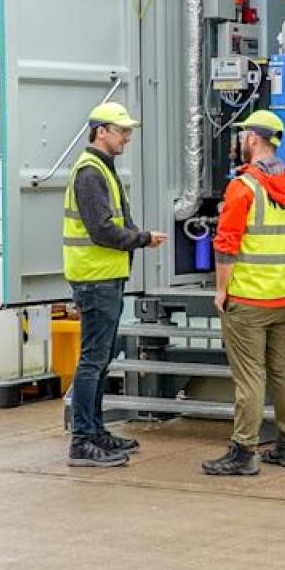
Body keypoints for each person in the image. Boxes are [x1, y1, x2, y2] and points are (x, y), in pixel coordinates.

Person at [202, 109, 285, 476]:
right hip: (283, 297)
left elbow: (226, 245)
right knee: (282, 370)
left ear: (252, 139)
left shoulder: (243, 187)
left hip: (248, 299)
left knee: (249, 377)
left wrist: (221, 290)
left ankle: (244, 451)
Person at [63, 102, 167, 468]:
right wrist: (141, 238)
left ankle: (94, 431)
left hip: (104, 276)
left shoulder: (102, 170)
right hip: (95, 279)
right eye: (121, 130)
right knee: (93, 360)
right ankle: (82, 440)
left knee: (101, 358)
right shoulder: (90, 172)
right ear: (101, 131)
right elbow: (102, 229)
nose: (127, 137)